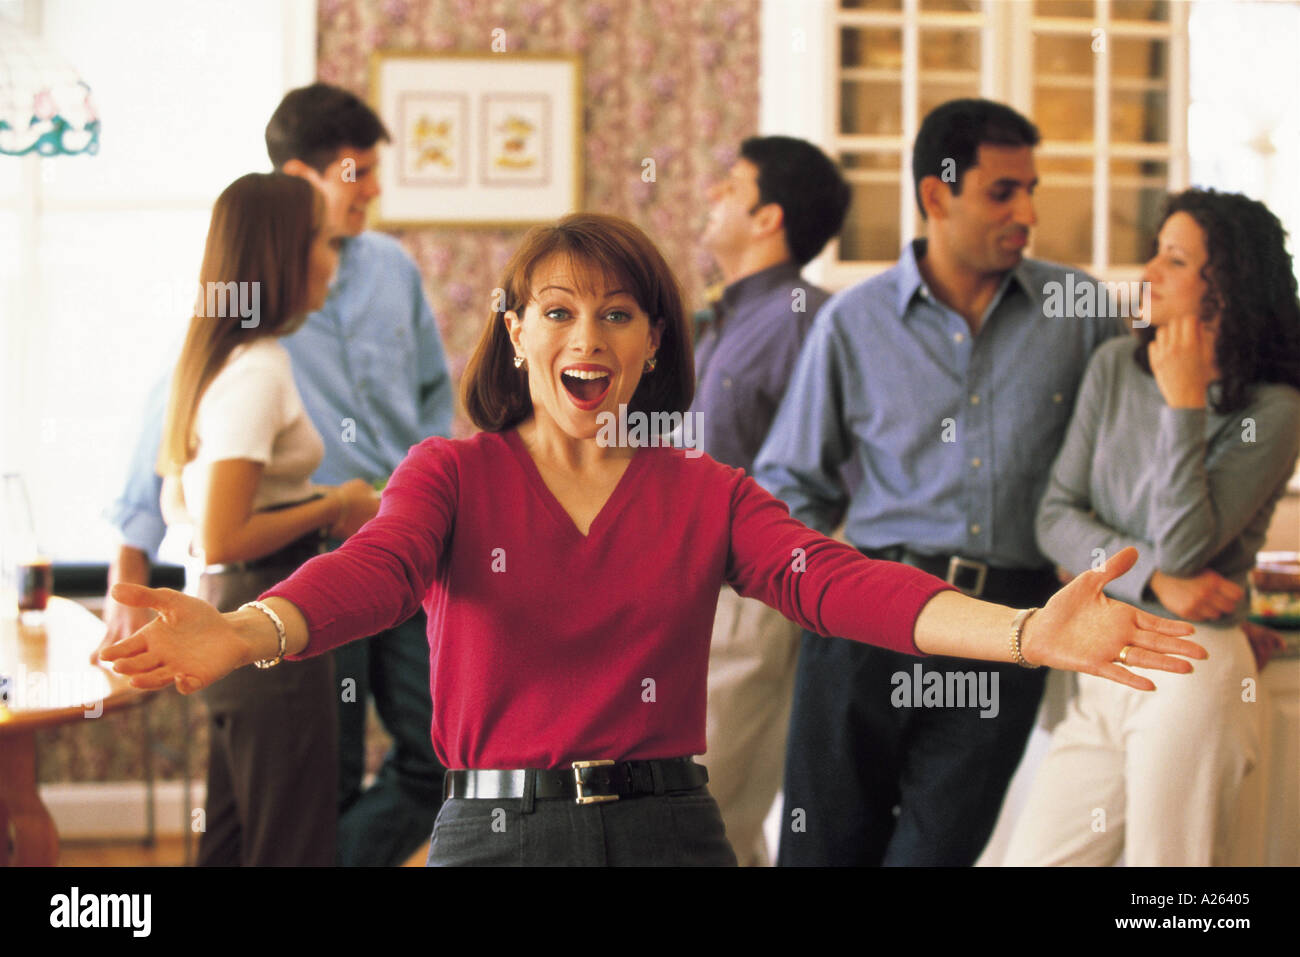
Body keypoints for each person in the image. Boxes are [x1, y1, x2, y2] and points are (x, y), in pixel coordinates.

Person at [102, 212, 1204, 868]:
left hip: (672, 831)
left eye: (620, 312)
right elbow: (372, 574)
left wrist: (1026, 631)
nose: (590, 334)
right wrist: (247, 628)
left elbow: (842, 583)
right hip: (498, 837)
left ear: (652, 344)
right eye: (561, 309)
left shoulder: (704, 493)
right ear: (517, 332)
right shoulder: (454, 475)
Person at [754, 98, 1124, 867]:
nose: (1026, 211)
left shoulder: (1080, 311)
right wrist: (824, 596)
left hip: (1007, 631)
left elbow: (1132, 459)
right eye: (1002, 191)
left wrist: (1183, 577)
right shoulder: (852, 324)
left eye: (1031, 188)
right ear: (935, 195)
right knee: (820, 854)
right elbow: (790, 484)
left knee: (933, 858)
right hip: (867, 620)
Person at [95, 83, 453, 866]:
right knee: (307, 786)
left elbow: (434, 395)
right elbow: (176, 414)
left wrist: (431, 501)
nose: (375, 190)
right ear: (303, 175)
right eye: (359, 172)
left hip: (401, 545)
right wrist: (130, 560)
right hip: (304, 565)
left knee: (431, 757)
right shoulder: (257, 319)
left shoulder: (391, 268)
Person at [1003, 189, 1300, 866]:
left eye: (1173, 259)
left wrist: (1185, 404)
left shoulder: (1274, 410)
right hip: (1102, 657)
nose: (1148, 273)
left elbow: (1189, 542)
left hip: (1188, 670)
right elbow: (1055, 516)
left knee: (1169, 884)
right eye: (1155, 252)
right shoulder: (1113, 368)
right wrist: (1157, 580)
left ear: (1225, 284)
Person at [160, 171, 379, 865]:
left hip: (231, 616)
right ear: (283, 253)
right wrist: (338, 504)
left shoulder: (221, 363)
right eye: (322, 239)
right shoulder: (257, 369)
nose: (333, 257)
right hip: (265, 623)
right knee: (290, 848)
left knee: (229, 842)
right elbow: (224, 533)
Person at [693, 135, 850, 865]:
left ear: (768, 217)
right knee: (724, 813)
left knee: (705, 804)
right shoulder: (719, 320)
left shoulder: (809, 322)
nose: (714, 193)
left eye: (733, 183)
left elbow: (845, 469)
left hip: (752, 591)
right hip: (692, 585)